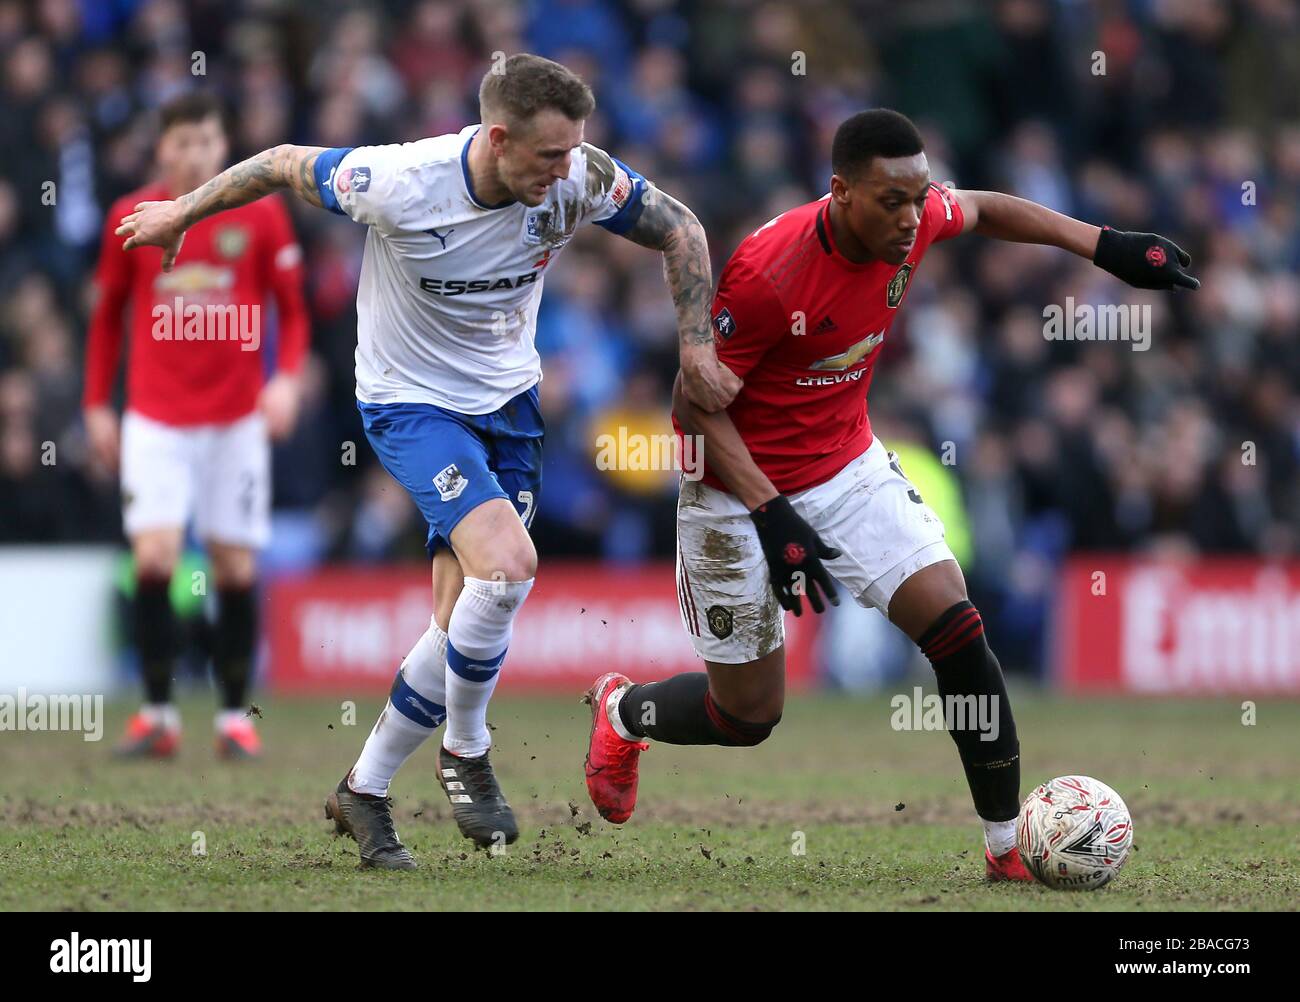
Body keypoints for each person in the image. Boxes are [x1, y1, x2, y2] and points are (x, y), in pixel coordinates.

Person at [116, 54, 737, 868]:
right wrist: (182, 214)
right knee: (509, 569)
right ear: (499, 137)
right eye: (549, 156)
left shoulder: (578, 176)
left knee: (462, 618)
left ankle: (363, 791)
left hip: (509, 409)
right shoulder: (400, 179)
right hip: (410, 405)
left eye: (574, 153)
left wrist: (695, 348)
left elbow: (681, 229)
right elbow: (278, 163)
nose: (566, 173)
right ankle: (468, 750)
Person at [582, 108, 1198, 881]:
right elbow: (692, 408)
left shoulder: (918, 214)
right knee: (746, 717)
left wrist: (1105, 246)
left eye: (917, 197)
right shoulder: (769, 274)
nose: (913, 219)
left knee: (958, 626)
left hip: (847, 465)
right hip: (735, 492)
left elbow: (982, 207)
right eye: (892, 202)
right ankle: (623, 711)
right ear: (840, 192)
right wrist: (773, 513)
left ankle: (1006, 846)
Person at [85, 92, 308, 760]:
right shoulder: (130, 217)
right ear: (162, 149)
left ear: (222, 145)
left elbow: (293, 313)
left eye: (206, 141)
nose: (194, 154)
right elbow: (106, 317)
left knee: (233, 566)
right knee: (153, 557)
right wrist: (98, 404)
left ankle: (234, 717)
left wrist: (287, 379)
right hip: (156, 418)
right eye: (181, 142)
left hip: (236, 421)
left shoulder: (262, 215)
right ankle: (157, 714)